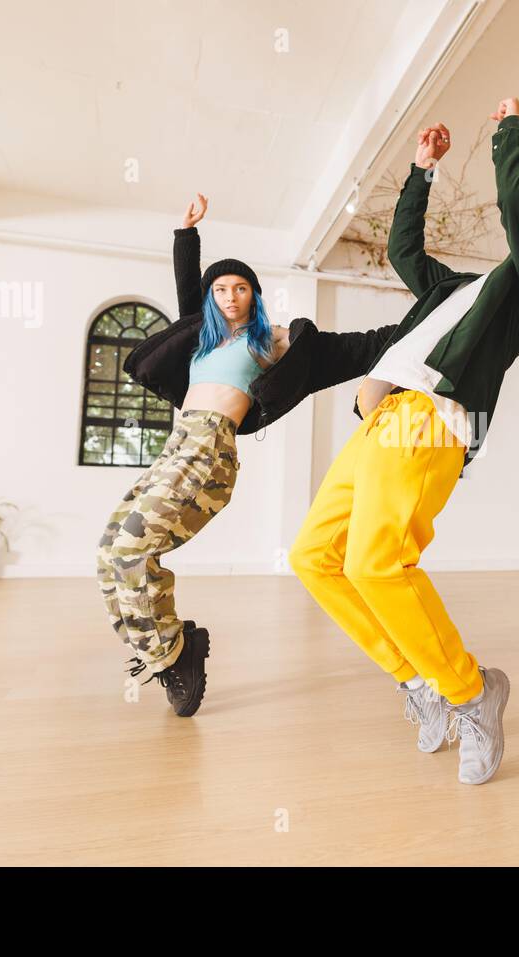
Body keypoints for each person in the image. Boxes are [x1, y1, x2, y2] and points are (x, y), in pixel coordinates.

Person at [289, 98, 519, 784]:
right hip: (386, 415)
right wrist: (422, 170)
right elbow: (403, 251)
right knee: (315, 557)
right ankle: (418, 679)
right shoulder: (466, 290)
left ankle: (472, 692)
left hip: (431, 419)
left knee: (378, 563)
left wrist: (508, 127)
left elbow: (515, 201)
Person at [99, 195, 399, 718]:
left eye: (240, 288)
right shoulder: (200, 339)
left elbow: (359, 347)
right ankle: (168, 651)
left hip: (209, 450)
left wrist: (423, 327)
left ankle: (174, 656)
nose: (230, 296)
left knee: (132, 548)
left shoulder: (277, 342)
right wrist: (185, 232)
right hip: (177, 445)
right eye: (220, 289)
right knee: (110, 552)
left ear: (255, 296)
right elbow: (186, 285)